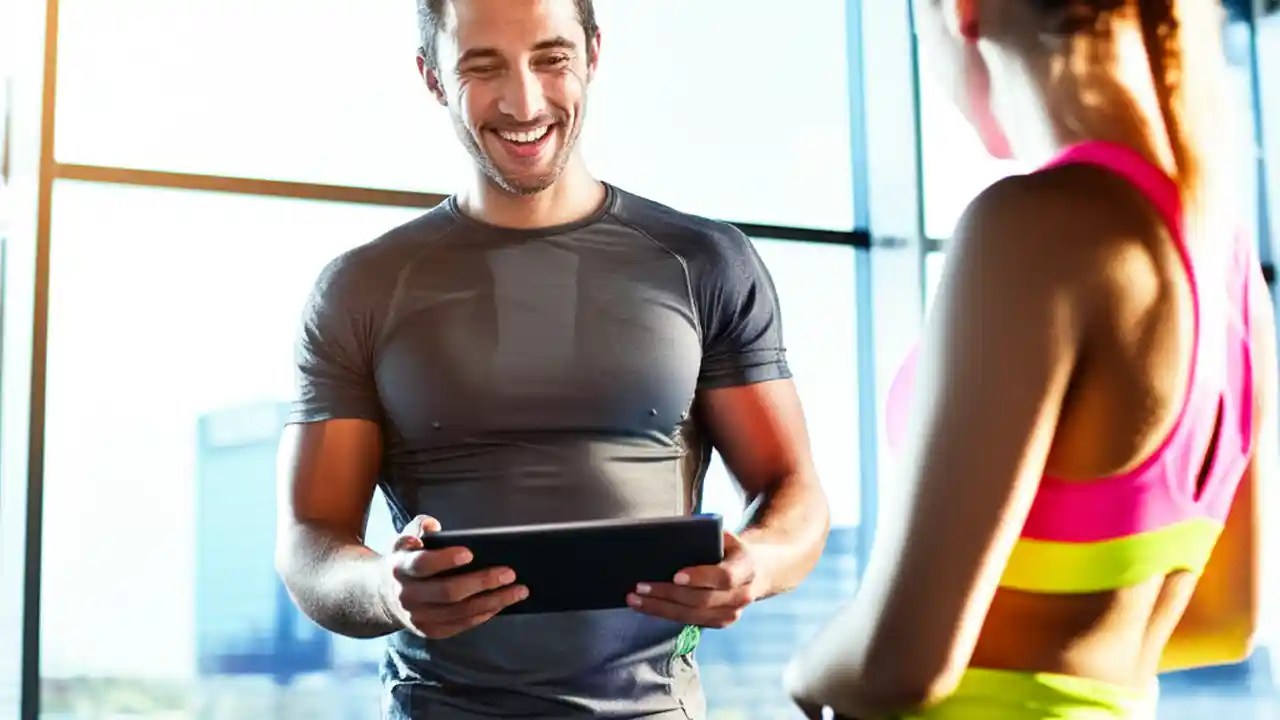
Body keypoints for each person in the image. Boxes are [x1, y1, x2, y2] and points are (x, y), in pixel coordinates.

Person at [272, 0, 831, 718]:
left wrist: (755, 565)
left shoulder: (704, 263)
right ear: (432, 78)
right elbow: (309, 547)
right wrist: (387, 587)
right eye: (482, 66)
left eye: (551, 58)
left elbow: (795, 495)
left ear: (594, 54)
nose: (524, 100)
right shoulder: (361, 288)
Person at [785, 1, 1271, 718]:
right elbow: (1224, 621)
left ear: (961, 11)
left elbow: (898, 664)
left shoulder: (1029, 228)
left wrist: (808, 669)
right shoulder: (1224, 262)